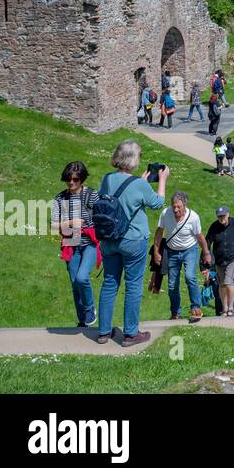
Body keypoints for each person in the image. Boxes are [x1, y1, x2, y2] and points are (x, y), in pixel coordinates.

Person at [96, 140, 166, 346]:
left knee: (110, 282)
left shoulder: (107, 178)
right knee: (133, 285)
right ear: (135, 159)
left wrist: (140, 181)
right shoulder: (139, 185)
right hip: (133, 239)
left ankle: (103, 331)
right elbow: (157, 202)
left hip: (109, 238)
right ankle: (130, 333)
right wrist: (162, 180)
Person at [53, 161, 100, 328]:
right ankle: (82, 320)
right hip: (71, 242)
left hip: (89, 243)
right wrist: (71, 222)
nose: (71, 183)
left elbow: (102, 217)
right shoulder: (60, 198)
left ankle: (90, 309)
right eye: (68, 179)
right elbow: (54, 225)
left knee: (82, 277)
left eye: (75, 179)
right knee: (75, 283)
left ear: (82, 179)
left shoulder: (92, 195)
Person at [153, 190, 211, 322]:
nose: (175, 209)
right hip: (172, 251)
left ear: (185, 205)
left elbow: (200, 237)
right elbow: (159, 232)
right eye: (173, 206)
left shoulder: (193, 217)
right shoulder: (165, 213)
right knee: (172, 284)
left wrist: (206, 252)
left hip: (189, 250)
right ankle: (175, 312)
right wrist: (156, 252)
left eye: (178, 206)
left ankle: (196, 307)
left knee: (190, 277)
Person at [206, 206, 234, 317]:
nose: (221, 218)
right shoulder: (214, 226)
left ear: (228, 214)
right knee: (222, 285)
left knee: (229, 282)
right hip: (219, 260)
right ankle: (224, 308)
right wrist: (205, 262)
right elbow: (207, 242)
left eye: (223, 215)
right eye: (219, 216)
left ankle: (231, 308)